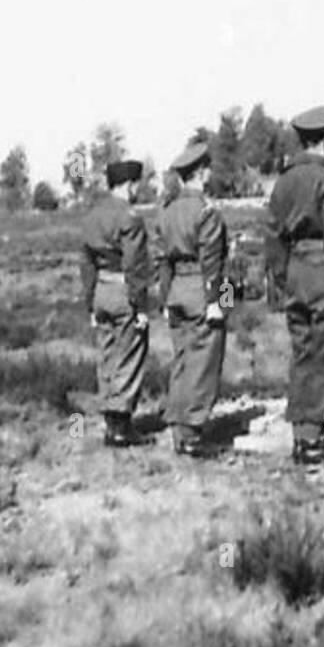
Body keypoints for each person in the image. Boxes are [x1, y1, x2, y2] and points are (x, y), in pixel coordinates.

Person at [264, 105, 324, 466]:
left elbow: (272, 235)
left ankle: (301, 434)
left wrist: (284, 276)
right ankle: (317, 435)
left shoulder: (284, 181)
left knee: (303, 353)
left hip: (295, 271)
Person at [153, 142, 230, 457]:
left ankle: (177, 426)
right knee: (203, 361)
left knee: (183, 360)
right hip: (200, 288)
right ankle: (192, 433)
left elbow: (162, 261)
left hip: (177, 291)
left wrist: (165, 299)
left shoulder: (167, 212)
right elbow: (211, 259)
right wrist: (215, 299)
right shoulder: (205, 211)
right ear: (201, 173)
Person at [81, 159, 151, 447]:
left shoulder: (92, 217)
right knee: (130, 352)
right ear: (129, 184)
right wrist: (140, 305)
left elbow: (85, 264)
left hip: (100, 290)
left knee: (107, 355)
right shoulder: (130, 217)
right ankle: (121, 424)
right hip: (122, 290)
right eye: (136, 185)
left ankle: (111, 421)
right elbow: (135, 264)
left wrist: (90, 302)